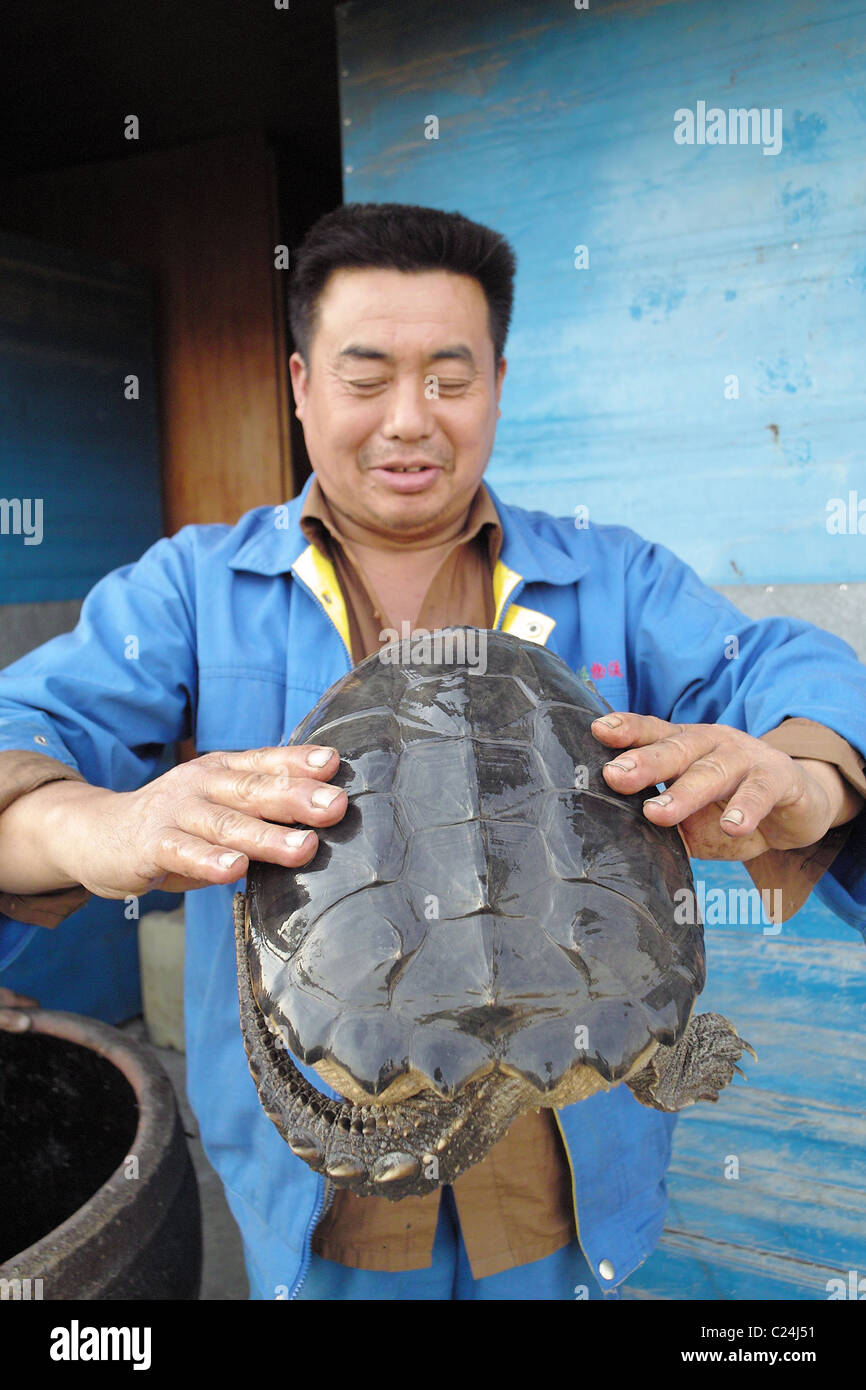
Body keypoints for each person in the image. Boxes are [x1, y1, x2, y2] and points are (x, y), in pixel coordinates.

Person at [0, 203, 864, 1302]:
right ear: (300, 383)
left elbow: (784, 668)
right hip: (320, 1206)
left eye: (449, 379)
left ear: (498, 381)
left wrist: (807, 771)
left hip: (563, 1201)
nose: (410, 420)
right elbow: (19, 733)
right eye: (365, 378)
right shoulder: (191, 591)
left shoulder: (613, 579)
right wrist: (92, 821)